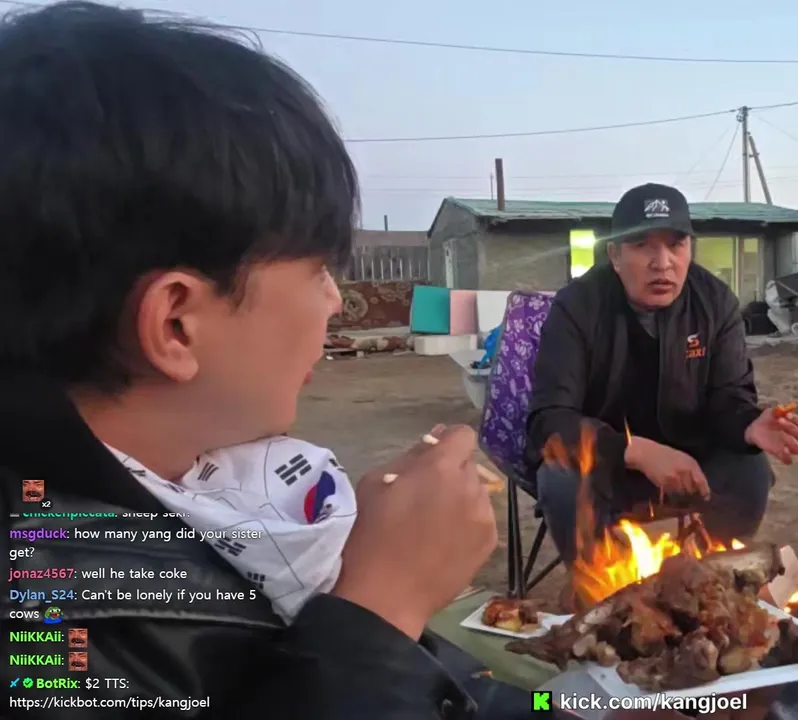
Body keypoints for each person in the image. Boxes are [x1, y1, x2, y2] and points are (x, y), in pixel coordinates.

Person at [0, 3, 508, 717]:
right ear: (177, 325)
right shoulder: (47, 639)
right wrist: (380, 607)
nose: (336, 301)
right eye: (318, 270)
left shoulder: (196, 497)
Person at [527, 183, 798, 569]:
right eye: (642, 245)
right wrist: (634, 451)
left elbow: (729, 397)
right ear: (615, 254)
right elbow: (549, 419)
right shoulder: (578, 306)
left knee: (750, 470)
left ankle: (710, 581)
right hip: (610, 466)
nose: (662, 263)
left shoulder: (715, 302)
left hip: (688, 463)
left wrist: (748, 425)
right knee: (560, 477)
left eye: (676, 245)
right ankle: (606, 589)